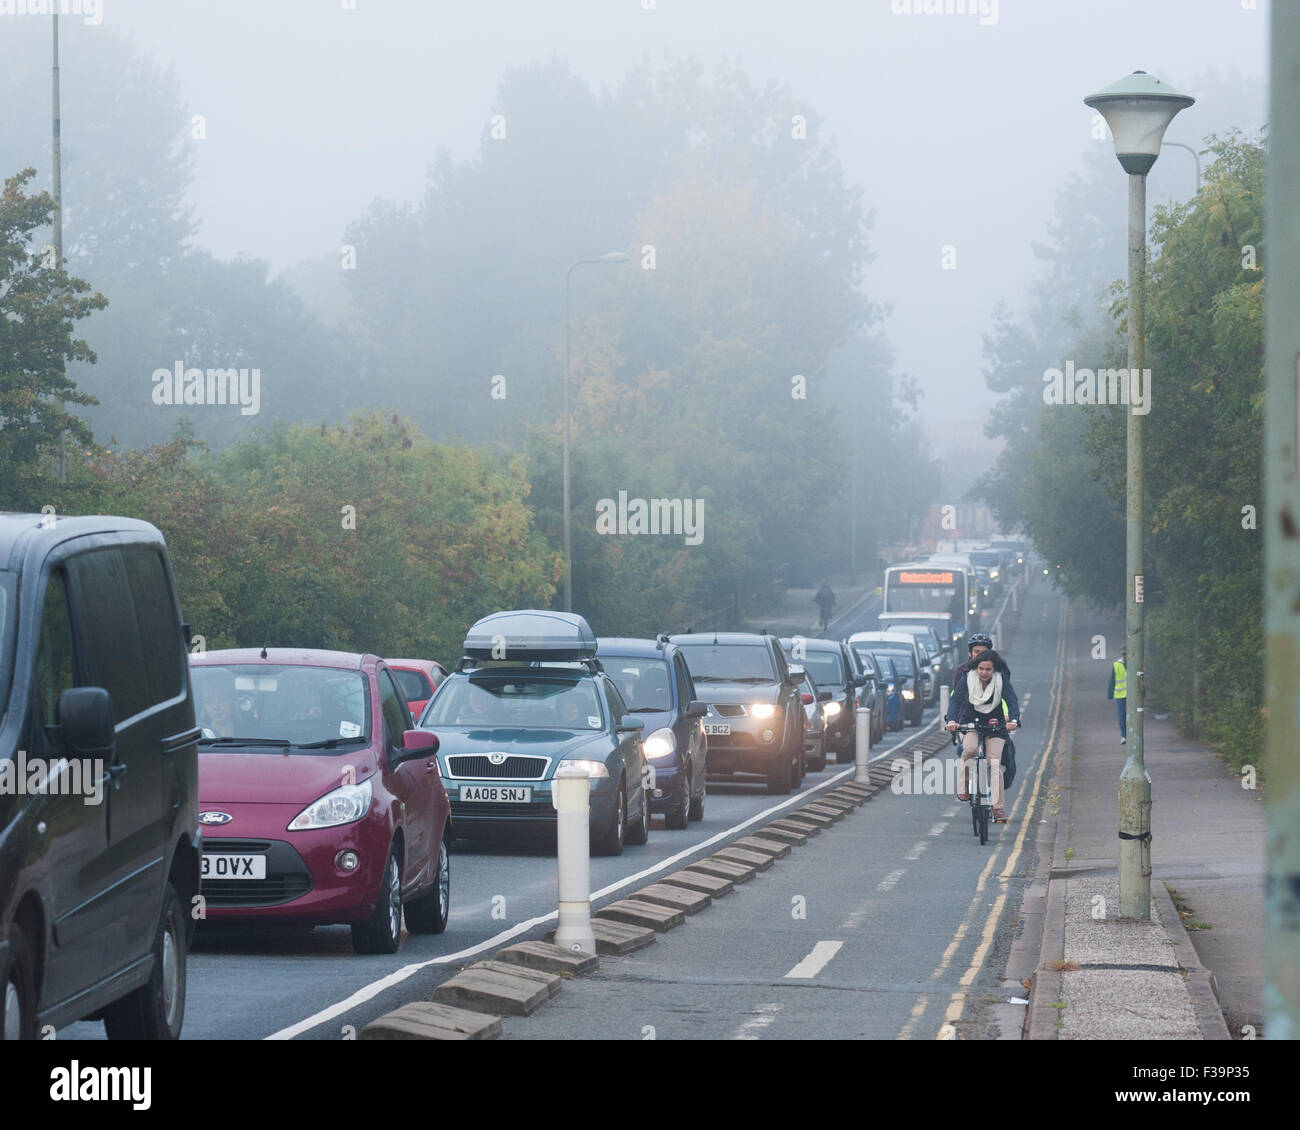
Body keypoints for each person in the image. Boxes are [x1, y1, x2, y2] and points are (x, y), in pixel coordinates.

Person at [946, 648, 1020, 823]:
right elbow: (956, 700)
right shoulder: (967, 678)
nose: (984, 673)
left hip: (995, 724)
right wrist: (951, 720)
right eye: (981, 669)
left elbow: (1012, 700)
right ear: (975, 668)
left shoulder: (1001, 681)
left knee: (994, 762)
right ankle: (964, 783)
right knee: (970, 749)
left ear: (994, 669)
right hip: (970, 722)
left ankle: (998, 808)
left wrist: (1014, 719)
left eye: (988, 669)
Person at [1107, 648, 1128, 744]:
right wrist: (1110, 694)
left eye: (1126, 654)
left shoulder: (1136, 663)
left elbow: (1140, 676)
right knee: (1122, 716)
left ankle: (1132, 734)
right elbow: (1112, 680)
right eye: (1123, 654)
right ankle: (1124, 736)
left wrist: (1142, 690)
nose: (1125, 656)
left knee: (1135, 715)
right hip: (1120, 695)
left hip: (1133, 695)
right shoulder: (1116, 665)